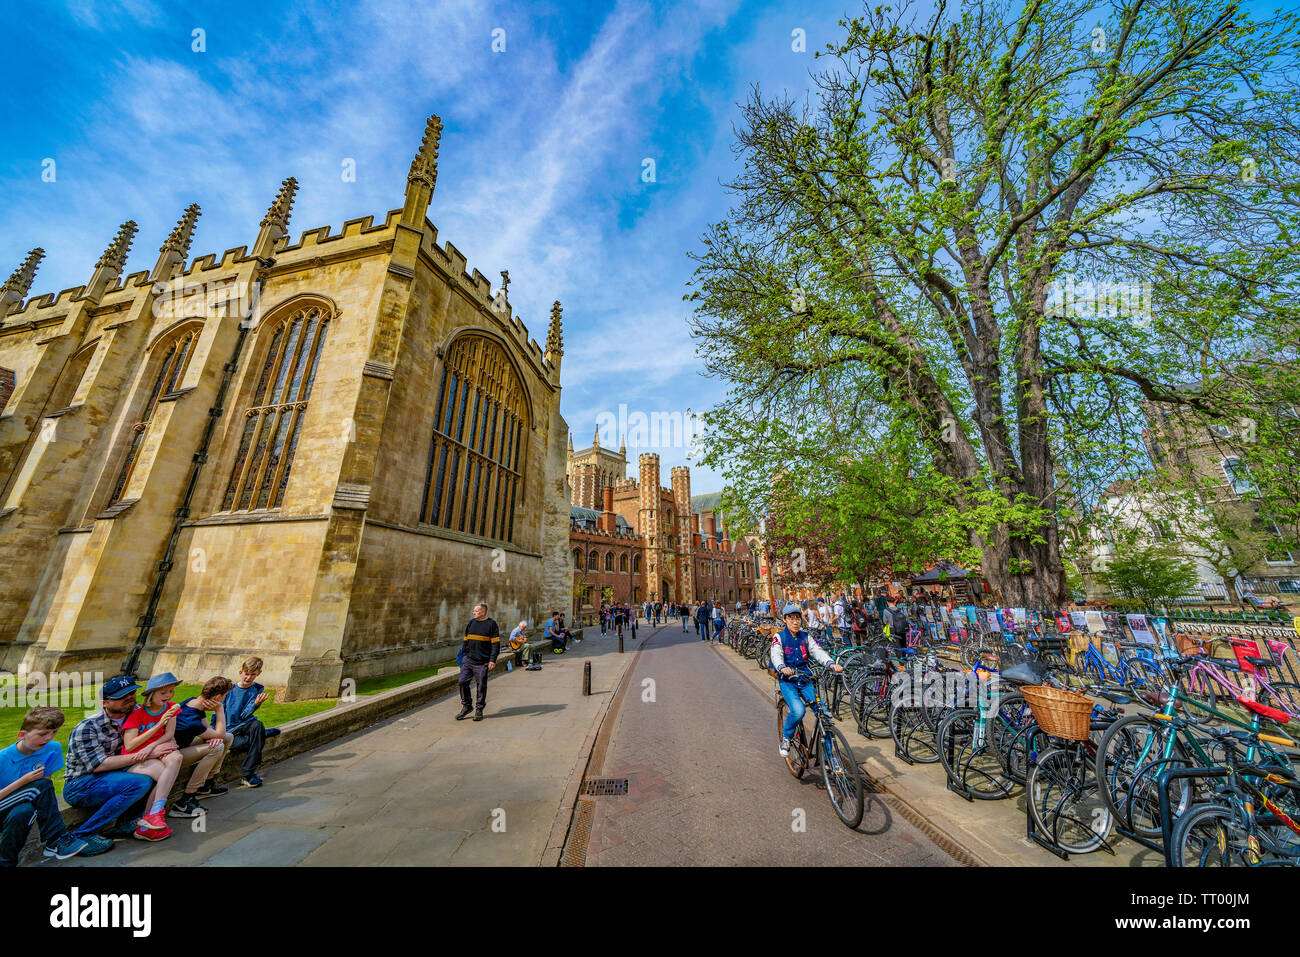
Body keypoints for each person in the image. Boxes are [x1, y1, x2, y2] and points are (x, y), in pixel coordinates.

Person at [63, 675, 176, 844]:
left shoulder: (140, 712)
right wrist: (148, 754)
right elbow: (99, 765)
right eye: (121, 696)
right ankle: (84, 834)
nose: (129, 698)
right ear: (105, 703)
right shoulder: (88, 727)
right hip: (81, 782)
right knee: (140, 783)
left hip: (118, 770)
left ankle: (137, 821)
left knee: (164, 773)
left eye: (132, 693)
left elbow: (166, 729)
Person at [0, 706, 101, 865]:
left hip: (17, 807)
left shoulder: (52, 749)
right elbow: (40, 787)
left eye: (53, 732)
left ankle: (6, 862)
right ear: (21, 735)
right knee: (40, 785)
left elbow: (45, 792)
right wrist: (23, 781)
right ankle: (56, 839)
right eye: (42, 734)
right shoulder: (2, 758)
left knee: (24, 811)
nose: (48, 738)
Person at [120, 673, 188, 835]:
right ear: (152, 694)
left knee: (177, 757)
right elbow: (129, 746)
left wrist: (152, 747)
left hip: (156, 749)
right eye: (163, 693)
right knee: (166, 775)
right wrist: (159, 726)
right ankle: (148, 821)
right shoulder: (138, 714)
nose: (168, 696)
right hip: (135, 757)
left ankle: (154, 814)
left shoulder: (172, 708)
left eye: (170, 691)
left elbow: (169, 735)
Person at [772, 605, 842, 756]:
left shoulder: (805, 636)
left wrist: (831, 663)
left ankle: (829, 758)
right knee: (798, 711)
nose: (795, 622)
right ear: (785, 620)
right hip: (788, 681)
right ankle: (787, 737)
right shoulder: (779, 637)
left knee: (824, 715)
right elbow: (776, 655)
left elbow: (817, 652)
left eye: (797, 618)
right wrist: (782, 666)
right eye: (791, 618)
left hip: (805, 680)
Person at [170, 676, 234, 818]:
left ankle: (207, 783)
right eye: (224, 697)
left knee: (228, 737)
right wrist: (219, 710)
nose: (224, 699)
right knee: (217, 746)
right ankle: (186, 800)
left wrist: (216, 737)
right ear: (217, 697)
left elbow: (214, 733)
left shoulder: (193, 702)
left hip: (182, 747)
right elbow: (219, 734)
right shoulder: (191, 720)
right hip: (173, 755)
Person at [222, 657, 281, 789]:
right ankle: (262, 735)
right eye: (246, 673)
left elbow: (244, 715)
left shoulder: (256, 689)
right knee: (253, 741)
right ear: (240, 672)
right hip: (230, 730)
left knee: (257, 725)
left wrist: (255, 705)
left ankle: (248, 774)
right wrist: (215, 733)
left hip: (246, 725)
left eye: (252, 674)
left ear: (258, 673)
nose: (248, 677)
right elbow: (217, 714)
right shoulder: (229, 689)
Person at [457, 602, 500, 721]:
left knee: (481, 686)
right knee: (462, 681)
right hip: (468, 660)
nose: (473, 612)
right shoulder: (471, 623)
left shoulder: (491, 624)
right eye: (474, 610)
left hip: (482, 662)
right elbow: (466, 640)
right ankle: (466, 706)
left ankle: (479, 709)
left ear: (483, 612)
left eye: (476, 611)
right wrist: (464, 656)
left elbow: (495, 644)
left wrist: (492, 660)